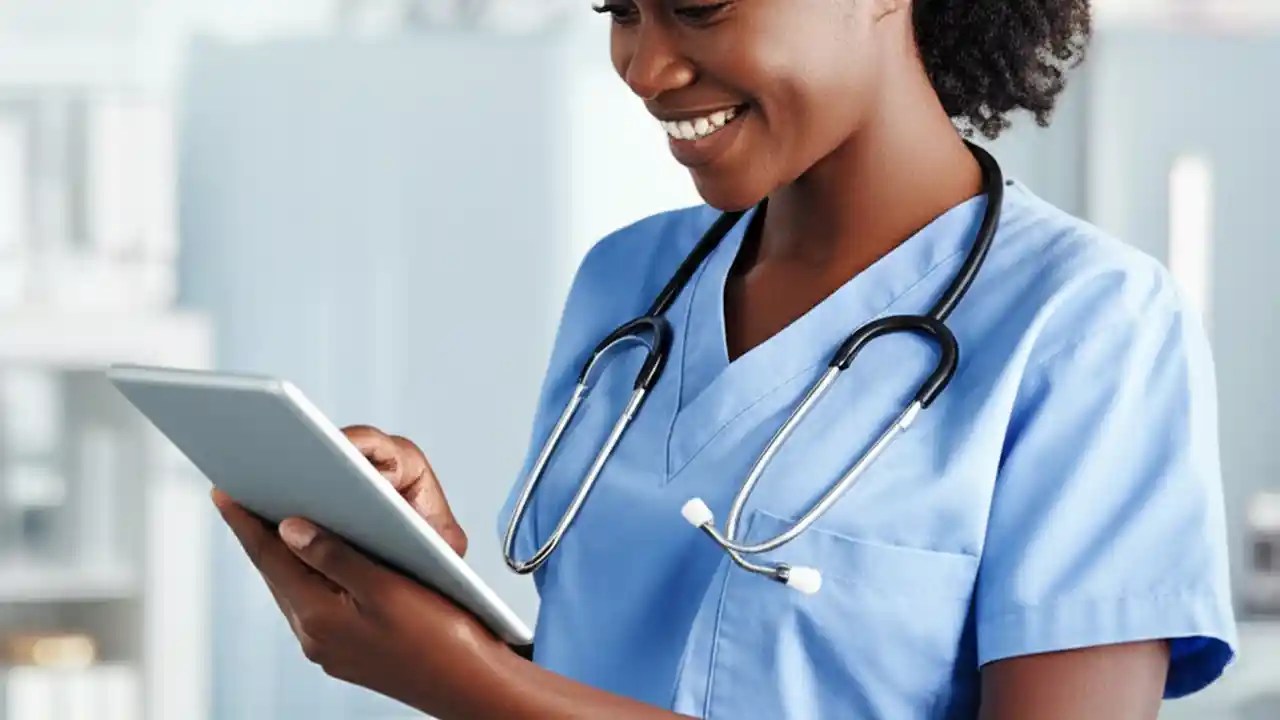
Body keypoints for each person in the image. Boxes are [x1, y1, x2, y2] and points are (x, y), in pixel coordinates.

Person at [214, 0, 1238, 717]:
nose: (646, 68)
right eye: (619, 8)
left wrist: (471, 685)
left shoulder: (1086, 324)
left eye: (699, 7)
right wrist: (429, 606)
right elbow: (624, 679)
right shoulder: (630, 283)